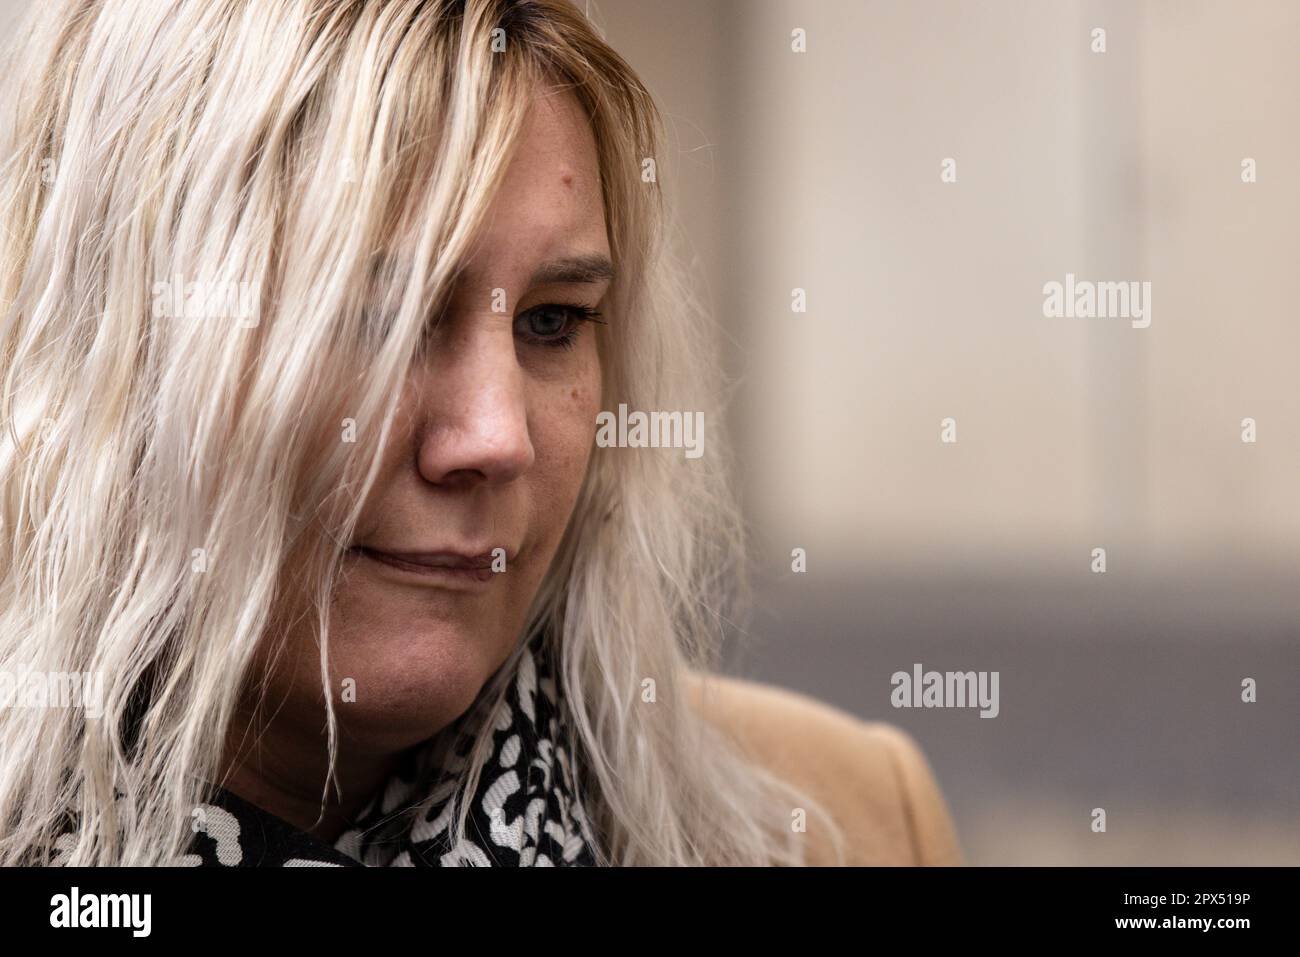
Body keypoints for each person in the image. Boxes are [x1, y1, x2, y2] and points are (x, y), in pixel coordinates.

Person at [0, 0, 960, 867]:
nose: (497, 437)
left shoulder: (840, 819)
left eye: (553, 321)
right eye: (380, 316)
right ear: (118, 355)